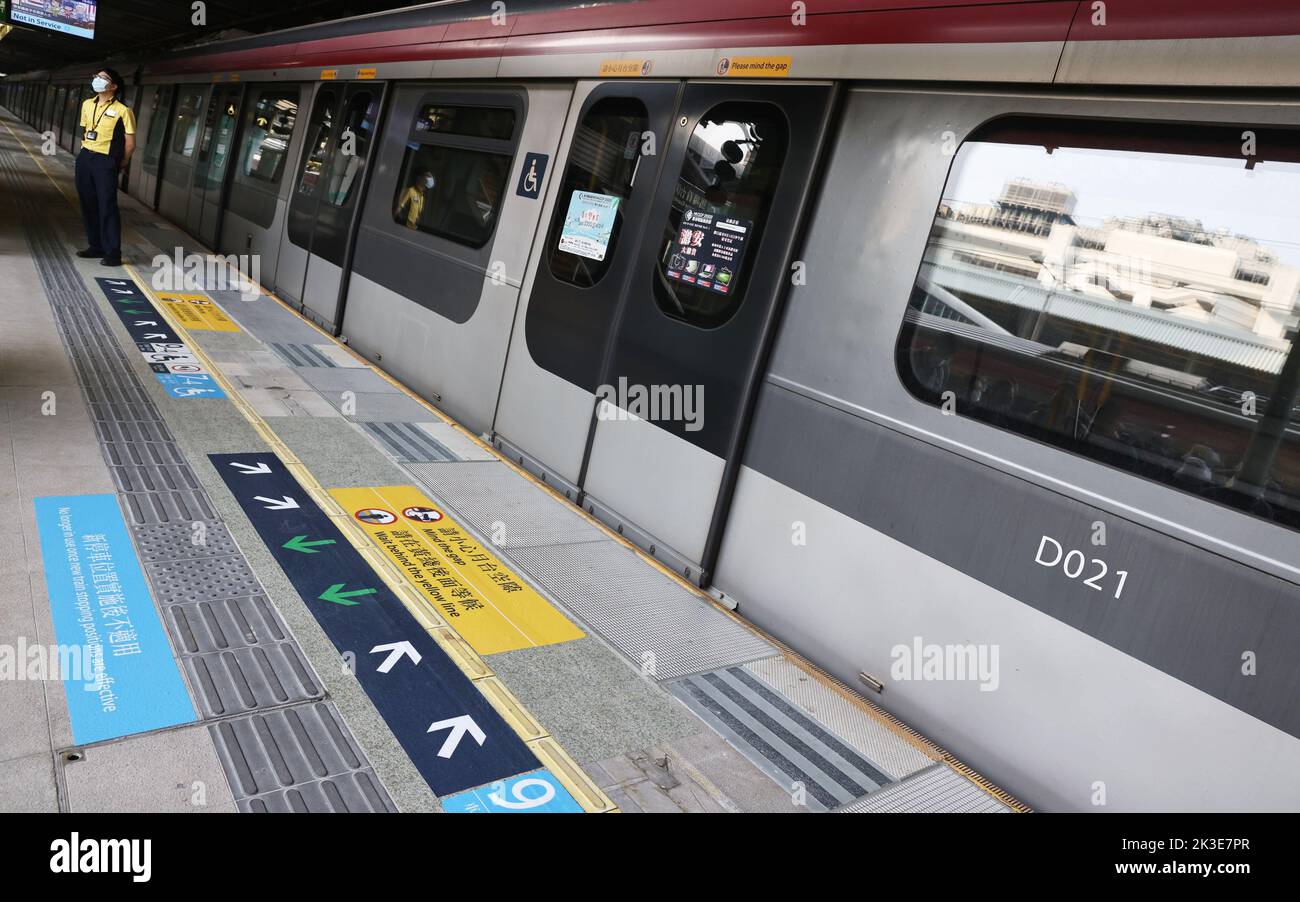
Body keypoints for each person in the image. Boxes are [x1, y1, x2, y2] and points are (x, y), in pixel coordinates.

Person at [74, 68, 136, 266]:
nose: (97, 80)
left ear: (114, 86)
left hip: (105, 161)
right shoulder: (86, 105)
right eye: (96, 76)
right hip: (85, 157)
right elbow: (85, 131)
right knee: (87, 202)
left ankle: (113, 252)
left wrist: (120, 163)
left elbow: (130, 143)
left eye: (103, 78)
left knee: (107, 205)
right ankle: (96, 246)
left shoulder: (123, 111)